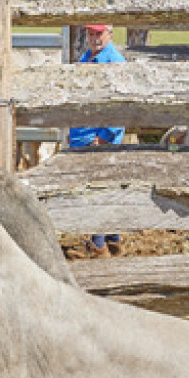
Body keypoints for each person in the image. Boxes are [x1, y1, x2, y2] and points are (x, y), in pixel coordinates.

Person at [69, 24, 126, 254]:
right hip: (85, 134)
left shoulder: (114, 62)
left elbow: (120, 106)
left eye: (99, 34)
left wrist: (104, 137)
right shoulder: (87, 57)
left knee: (96, 189)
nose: (95, 39)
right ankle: (113, 240)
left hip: (97, 137)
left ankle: (98, 245)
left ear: (110, 34)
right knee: (100, 187)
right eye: (91, 34)